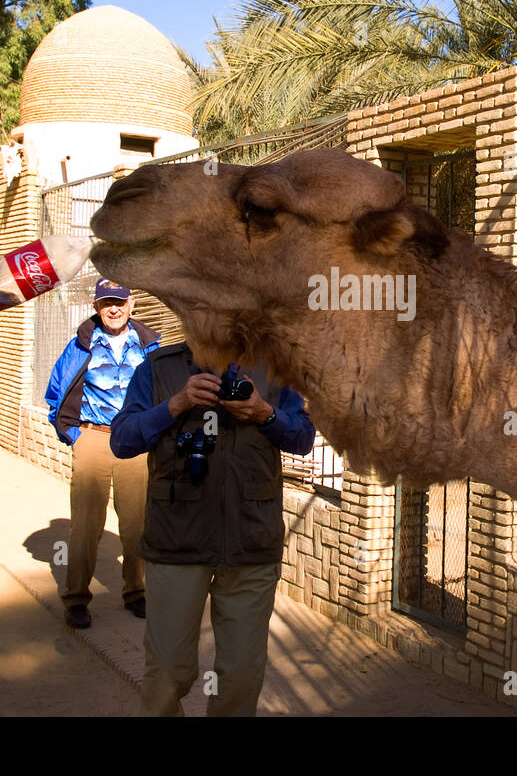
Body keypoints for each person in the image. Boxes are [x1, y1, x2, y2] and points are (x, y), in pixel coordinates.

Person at [110, 343, 315, 716]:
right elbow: (122, 441)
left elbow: (303, 438)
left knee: (241, 676)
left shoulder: (276, 368)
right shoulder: (158, 369)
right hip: (176, 542)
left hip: (251, 543)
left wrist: (264, 413)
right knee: (167, 672)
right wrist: (177, 404)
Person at [44, 279, 160, 628]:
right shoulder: (81, 344)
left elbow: (166, 392)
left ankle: (135, 592)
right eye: (106, 302)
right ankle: (77, 598)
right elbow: (56, 390)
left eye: (120, 302)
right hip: (94, 439)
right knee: (85, 526)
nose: (114, 308)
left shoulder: (150, 347)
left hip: (135, 443)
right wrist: (75, 436)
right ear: (96, 306)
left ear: (132, 304)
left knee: (137, 523)